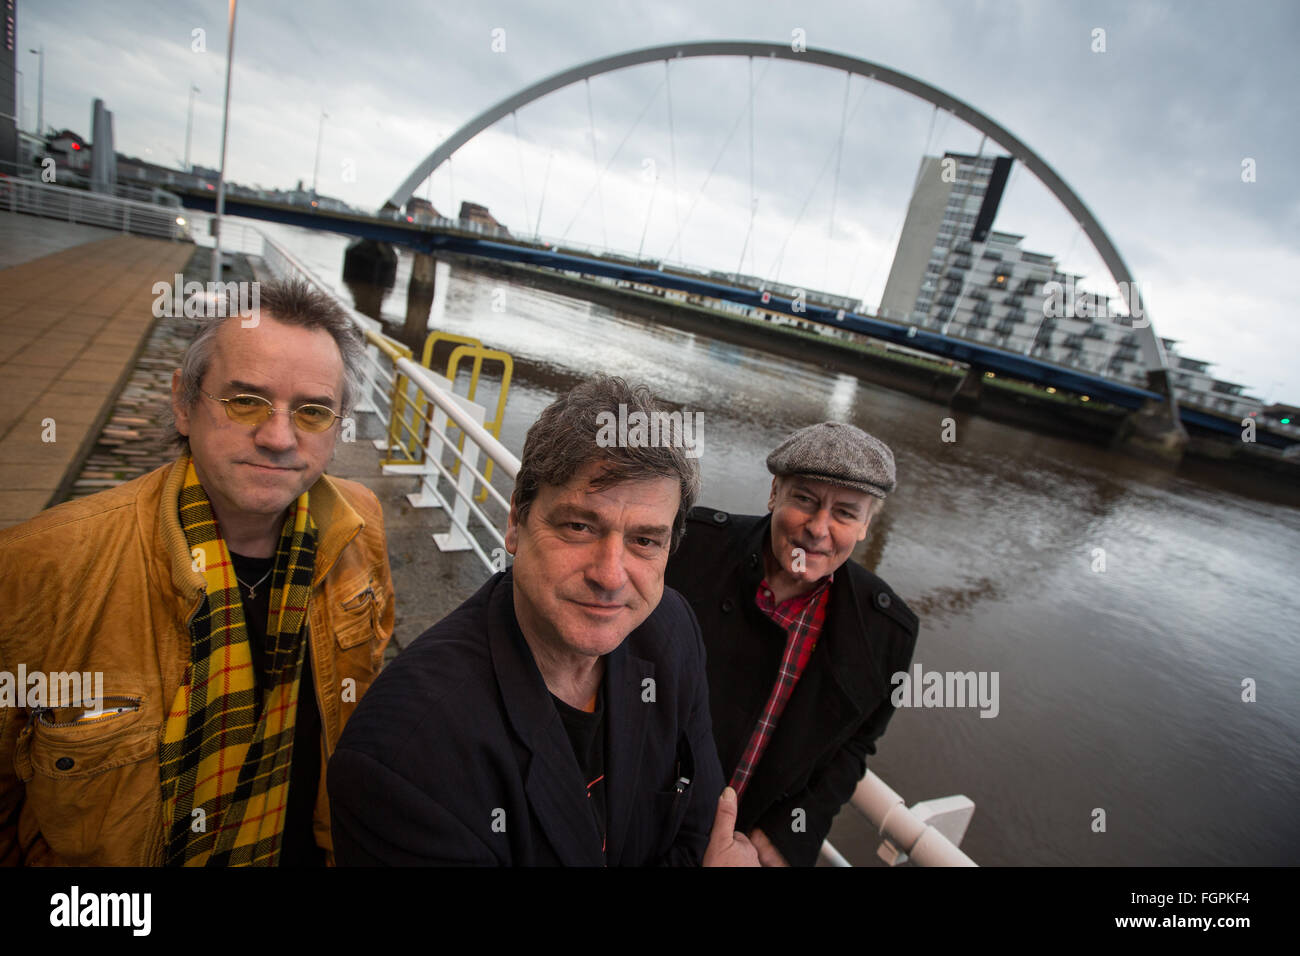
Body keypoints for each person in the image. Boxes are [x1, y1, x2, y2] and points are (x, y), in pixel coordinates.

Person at [0, 277, 394, 866]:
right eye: (245, 401)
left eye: (312, 412)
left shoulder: (359, 526)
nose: (279, 437)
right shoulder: (38, 570)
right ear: (184, 404)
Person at [328, 377, 755, 866]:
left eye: (644, 541)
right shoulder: (406, 756)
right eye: (579, 526)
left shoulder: (671, 630)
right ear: (516, 522)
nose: (610, 576)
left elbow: (697, 830)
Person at [665, 421, 919, 867]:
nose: (818, 529)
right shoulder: (689, 548)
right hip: (631, 818)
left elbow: (854, 746)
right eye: (804, 499)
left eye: (845, 512)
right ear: (773, 493)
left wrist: (788, 836)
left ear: (866, 525)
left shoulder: (888, 633)